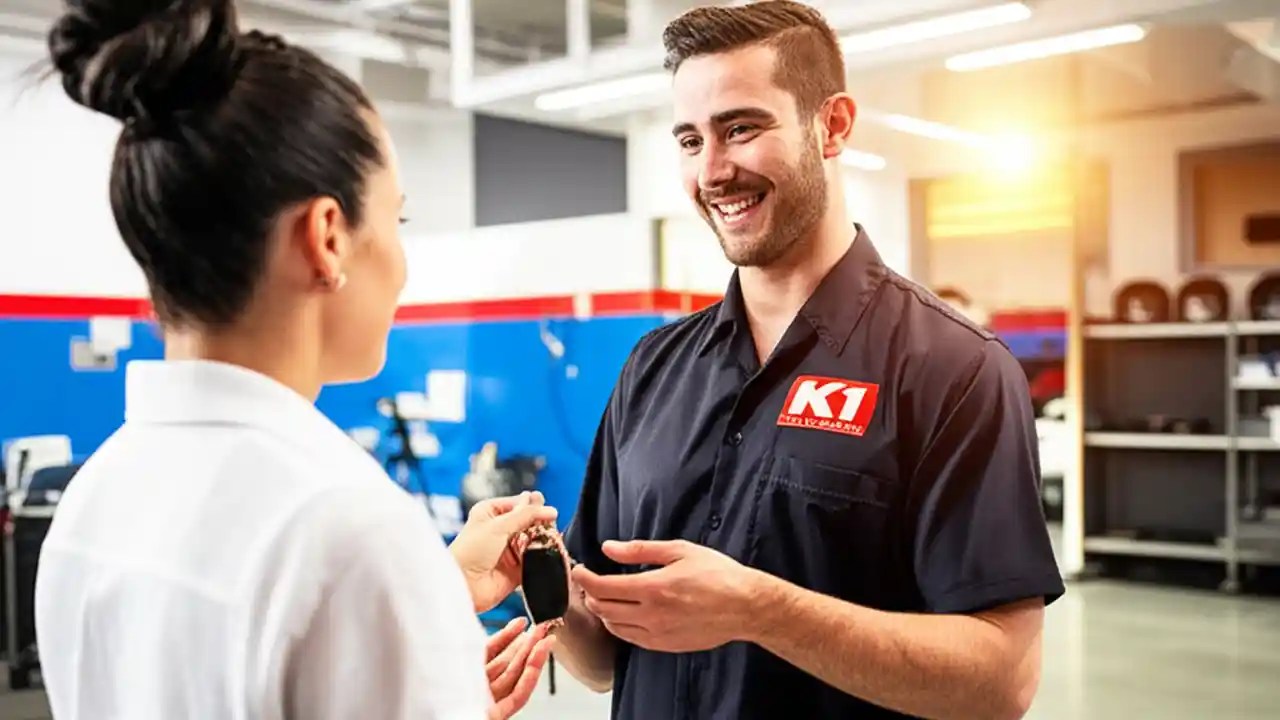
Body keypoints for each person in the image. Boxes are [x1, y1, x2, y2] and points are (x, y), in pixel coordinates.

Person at [33, 1, 553, 718]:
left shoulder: (95, 498)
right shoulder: (352, 529)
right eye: (396, 220)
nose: (402, 267)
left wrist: (428, 604)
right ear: (327, 237)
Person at [552, 3, 1065, 719]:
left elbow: (1000, 683)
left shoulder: (953, 368)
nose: (712, 171)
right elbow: (604, 661)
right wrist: (541, 578)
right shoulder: (653, 368)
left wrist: (761, 610)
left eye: (741, 129)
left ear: (833, 125)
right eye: (691, 140)